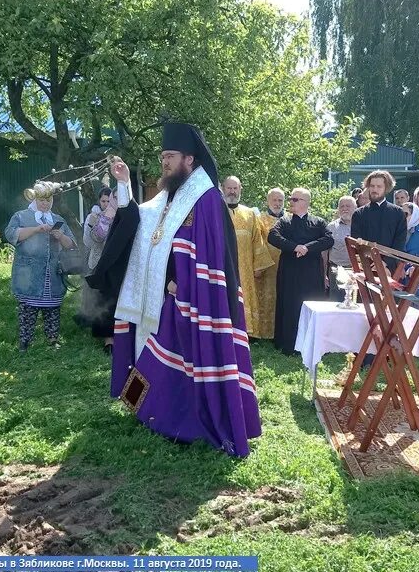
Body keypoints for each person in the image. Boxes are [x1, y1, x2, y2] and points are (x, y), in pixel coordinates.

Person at [90, 123, 260, 458]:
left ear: (189, 159)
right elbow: (138, 221)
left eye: (170, 156)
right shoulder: (169, 195)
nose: (164, 162)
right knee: (148, 351)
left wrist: (183, 282)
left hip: (187, 298)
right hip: (156, 295)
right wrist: (124, 184)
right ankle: (146, 411)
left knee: (180, 360)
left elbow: (208, 252)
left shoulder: (205, 197)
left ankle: (182, 422)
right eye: (162, 156)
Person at [4, 182, 78, 351]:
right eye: (41, 200)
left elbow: (71, 244)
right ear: (35, 199)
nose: (45, 203)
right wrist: (36, 229)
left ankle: (52, 340)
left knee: (52, 308)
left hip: (52, 274)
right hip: (28, 273)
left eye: (48, 200)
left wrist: (60, 236)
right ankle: (25, 341)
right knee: (27, 309)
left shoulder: (58, 219)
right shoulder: (21, 216)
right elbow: (11, 234)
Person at [350, 170, 408, 368]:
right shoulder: (359, 214)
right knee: (365, 315)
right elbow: (357, 243)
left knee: (387, 315)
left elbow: (399, 244)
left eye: (379, 186)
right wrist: (372, 264)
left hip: (390, 272)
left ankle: (387, 353)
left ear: (386, 188)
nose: (375, 190)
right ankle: (365, 356)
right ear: (367, 186)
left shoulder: (397, 213)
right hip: (366, 272)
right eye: (372, 186)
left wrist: (386, 265)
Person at [269, 187, 334, 354]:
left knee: (311, 304)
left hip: (311, 272)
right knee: (289, 304)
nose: (290, 202)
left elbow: (328, 239)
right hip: (289, 270)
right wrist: (295, 247)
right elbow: (273, 236)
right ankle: (288, 344)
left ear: (305, 202)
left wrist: (307, 248)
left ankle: (311, 343)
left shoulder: (318, 222)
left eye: (295, 199)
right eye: (290, 199)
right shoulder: (284, 221)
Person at [222, 176, 275, 340]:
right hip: (222, 265)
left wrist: (258, 265)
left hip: (245, 267)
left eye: (235, 188)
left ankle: (247, 333)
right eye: (229, 188)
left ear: (240, 189)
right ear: (223, 189)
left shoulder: (250, 214)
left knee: (245, 297)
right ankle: (224, 330)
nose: (232, 191)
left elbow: (257, 240)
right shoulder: (216, 211)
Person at [82, 187, 119, 353]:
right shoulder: (97, 217)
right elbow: (92, 240)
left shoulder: (129, 215)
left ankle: (122, 336)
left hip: (120, 264)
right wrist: (100, 221)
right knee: (103, 301)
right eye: (105, 201)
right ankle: (107, 340)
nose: (107, 204)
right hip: (99, 263)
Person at [253, 188, 285, 340]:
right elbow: (256, 243)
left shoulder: (289, 219)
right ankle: (265, 333)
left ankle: (280, 332)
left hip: (286, 266)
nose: (277, 203)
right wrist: (258, 265)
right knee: (266, 297)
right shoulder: (259, 219)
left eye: (280, 200)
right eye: (274, 200)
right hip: (267, 266)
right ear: (268, 201)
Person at [325, 195, 357, 301]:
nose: (345, 208)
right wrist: (324, 274)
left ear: (355, 207)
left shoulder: (362, 226)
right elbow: (325, 253)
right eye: (342, 206)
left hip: (357, 272)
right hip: (336, 271)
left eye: (348, 206)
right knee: (335, 304)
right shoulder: (331, 227)